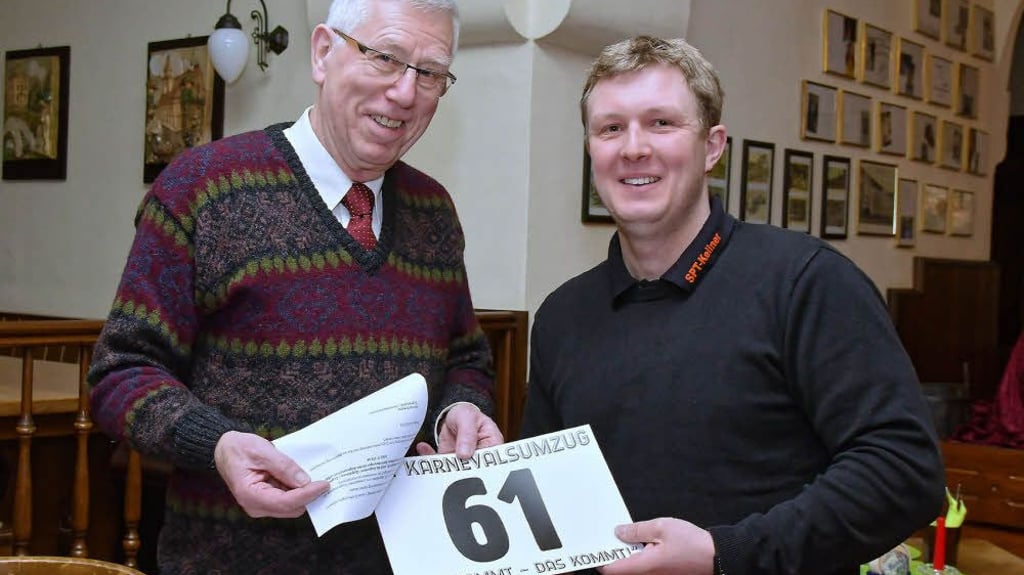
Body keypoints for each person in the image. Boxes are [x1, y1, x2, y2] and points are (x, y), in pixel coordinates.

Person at [88, 0, 502, 572]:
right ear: (323, 53)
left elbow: (465, 358)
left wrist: (460, 408)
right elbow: (121, 372)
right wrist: (216, 444)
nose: (405, 92)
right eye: (385, 58)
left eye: (430, 73)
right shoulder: (202, 188)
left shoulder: (434, 213)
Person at [520, 36, 945, 575]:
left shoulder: (806, 282)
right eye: (610, 128)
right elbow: (545, 503)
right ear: (590, 149)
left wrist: (726, 554)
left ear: (713, 147)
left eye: (661, 123)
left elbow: (905, 472)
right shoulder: (562, 317)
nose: (633, 148)